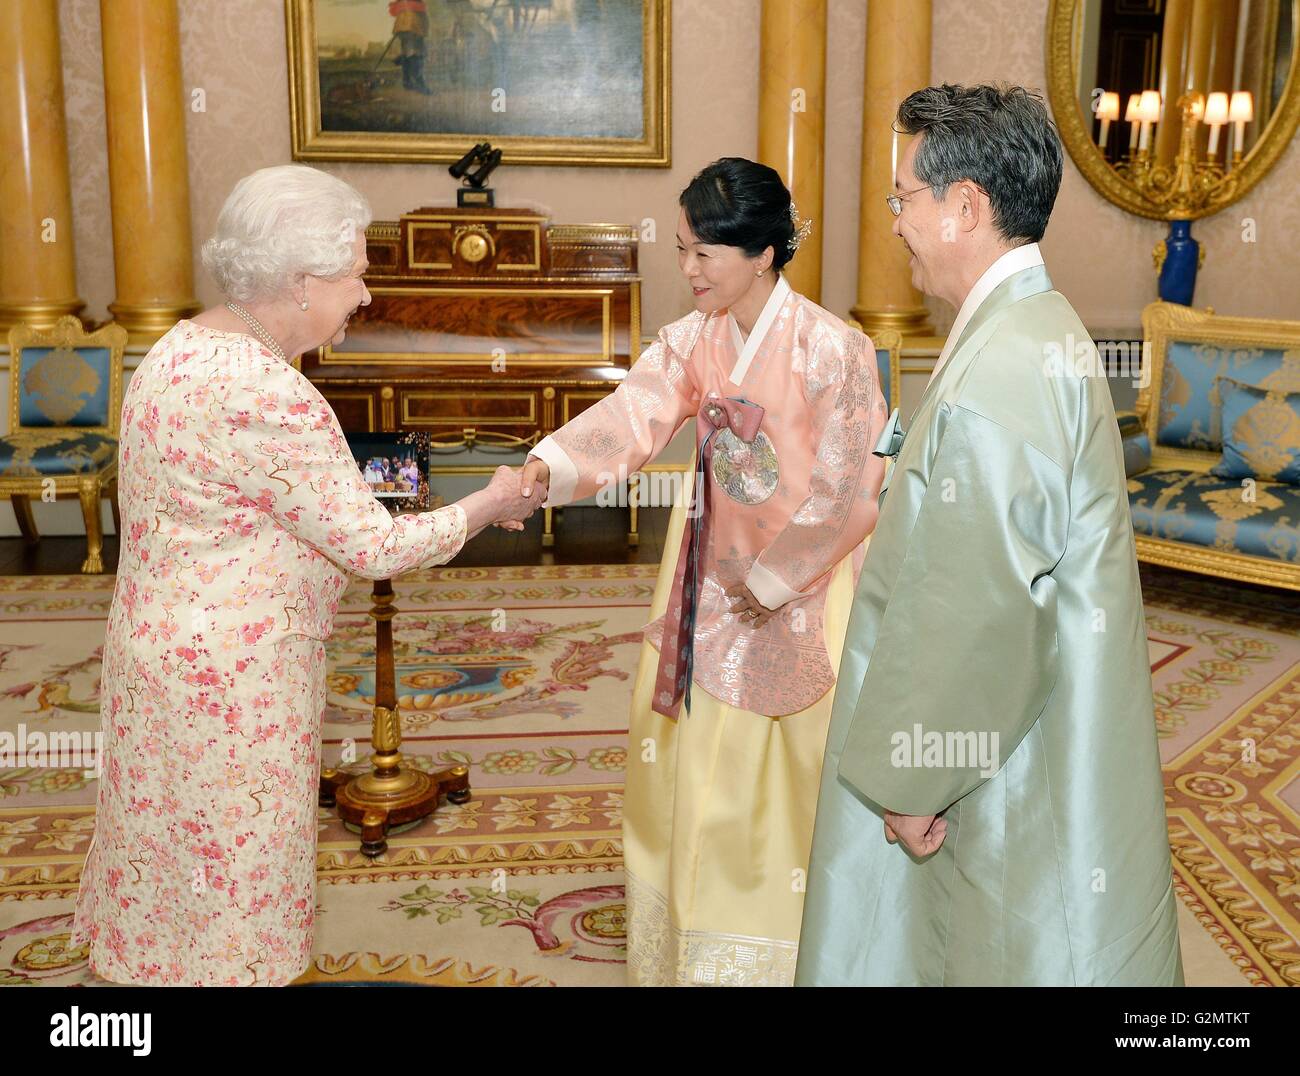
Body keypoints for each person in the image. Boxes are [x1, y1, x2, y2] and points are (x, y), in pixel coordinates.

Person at [69, 164, 543, 986]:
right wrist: (488, 501)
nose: (363, 294)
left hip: (152, 657)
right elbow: (375, 548)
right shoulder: (268, 391)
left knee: (168, 870)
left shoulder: (174, 350)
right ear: (298, 284)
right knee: (237, 886)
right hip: (234, 683)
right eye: (355, 273)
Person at [795, 84, 1183, 986]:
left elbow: (977, 606)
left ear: (964, 205)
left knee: (994, 941)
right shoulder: (1031, 328)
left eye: (903, 198)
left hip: (1002, 754)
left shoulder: (1006, 362)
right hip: (1025, 720)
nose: (896, 222)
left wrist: (911, 778)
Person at [517, 158, 888, 986]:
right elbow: (631, 417)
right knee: (696, 757)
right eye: (682, 250)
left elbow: (852, 484)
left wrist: (772, 582)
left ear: (763, 253)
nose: (686, 271)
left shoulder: (836, 349)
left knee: (796, 765)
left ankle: (800, 944)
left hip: (810, 582)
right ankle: (699, 939)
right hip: (709, 573)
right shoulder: (693, 341)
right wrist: (548, 469)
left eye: (704, 255)